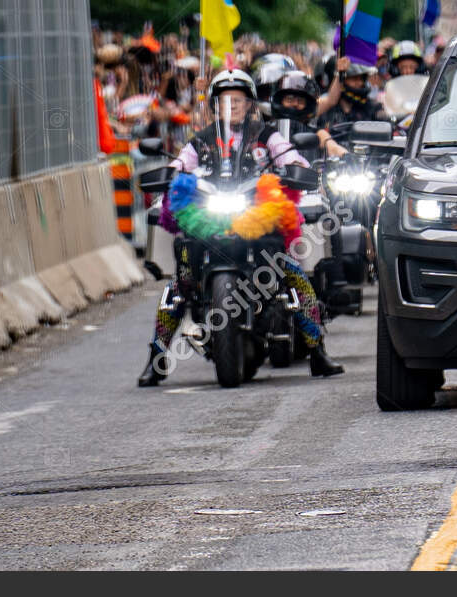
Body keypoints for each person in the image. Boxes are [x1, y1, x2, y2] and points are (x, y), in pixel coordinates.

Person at [139, 69, 343, 385]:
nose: (231, 105)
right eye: (225, 100)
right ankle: (156, 358)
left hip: (257, 218)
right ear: (215, 105)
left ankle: (318, 351)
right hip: (210, 220)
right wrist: (170, 174)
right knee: (179, 285)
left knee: (292, 273)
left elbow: (293, 159)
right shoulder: (201, 141)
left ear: (249, 104)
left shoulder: (267, 136)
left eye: (238, 99)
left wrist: (294, 169)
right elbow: (179, 164)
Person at [317, 54, 386, 126]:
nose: (360, 83)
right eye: (354, 79)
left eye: (362, 78)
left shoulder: (372, 107)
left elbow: (384, 123)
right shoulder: (325, 110)